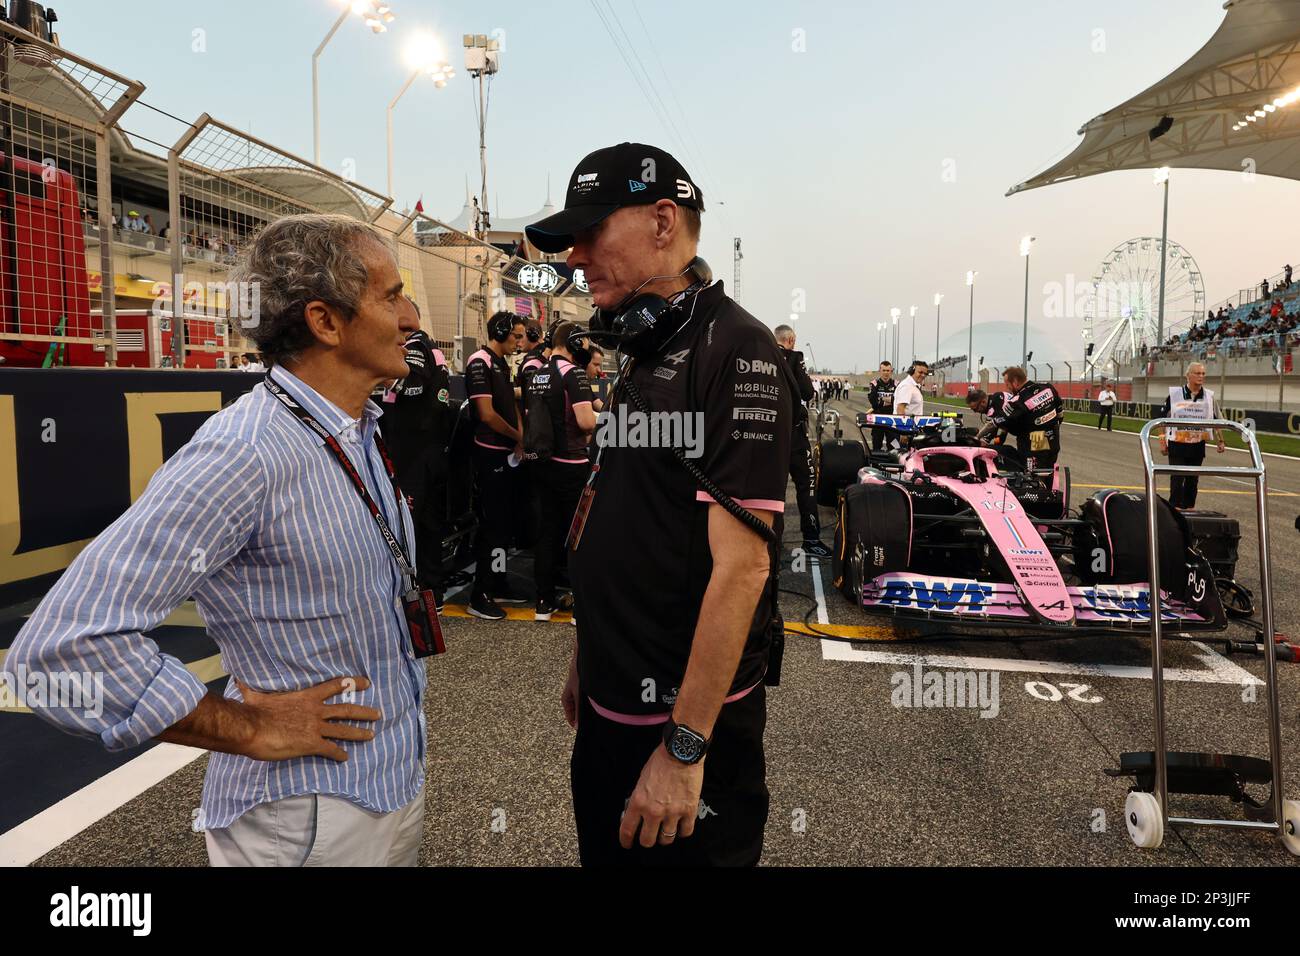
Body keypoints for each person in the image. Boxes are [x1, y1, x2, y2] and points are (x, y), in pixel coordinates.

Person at [9, 213, 434, 866]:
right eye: (392, 295)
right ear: (325, 321)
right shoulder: (245, 453)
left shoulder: (357, 425)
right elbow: (59, 651)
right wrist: (248, 726)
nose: (410, 317)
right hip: (308, 818)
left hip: (387, 785)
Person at [526, 141, 793, 866]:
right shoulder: (642, 350)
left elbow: (743, 571)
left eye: (590, 233)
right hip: (613, 699)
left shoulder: (736, 350)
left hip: (681, 729)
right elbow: (620, 505)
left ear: (662, 220)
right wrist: (589, 646)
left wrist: (683, 750)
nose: (575, 257)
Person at [380, 299, 455, 608]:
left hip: (414, 451)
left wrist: (386, 381)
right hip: (431, 450)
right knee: (429, 524)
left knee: (410, 524)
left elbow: (410, 385)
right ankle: (432, 591)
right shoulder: (433, 347)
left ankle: (413, 593)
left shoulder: (416, 345)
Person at [530, 321, 597, 620]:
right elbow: (585, 422)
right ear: (573, 343)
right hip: (572, 465)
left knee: (547, 532)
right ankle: (578, 606)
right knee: (577, 535)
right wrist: (609, 418)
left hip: (543, 464)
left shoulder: (537, 373)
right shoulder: (575, 374)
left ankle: (543, 603)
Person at [464, 311, 526, 619]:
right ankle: (480, 594)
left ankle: (498, 581)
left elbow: (510, 404)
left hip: (507, 453)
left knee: (504, 525)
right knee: (492, 525)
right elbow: (486, 414)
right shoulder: (480, 361)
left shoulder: (501, 363)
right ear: (500, 332)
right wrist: (518, 437)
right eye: (515, 335)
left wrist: (520, 438)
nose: (518, 340)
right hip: (489, 453)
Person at [774, 323, 829, 557]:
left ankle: (772, 543)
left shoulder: (763, 356)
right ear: (792, 339)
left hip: (769, 435)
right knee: (806, 485)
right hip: (794, 435)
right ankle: (811, 539)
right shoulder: (795, 358)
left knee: (772, 489)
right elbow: (807, 392)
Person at [1157, 361, 1225, 510]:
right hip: (1177, 442)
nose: (1201, 376)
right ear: (1188, 375)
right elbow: (1161, 419)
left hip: (1197, 443)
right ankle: (1174, 508)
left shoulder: (1209, 397)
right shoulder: (1174, 395)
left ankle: (1189, 508)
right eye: (1197, 373)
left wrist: (1221, 440)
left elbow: (1217, 419)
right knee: (1177, 478)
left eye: (1203, 373)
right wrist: (1162, 440)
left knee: (1192, 479)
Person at [1000, 366, 1063, 471]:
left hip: (1036, 439)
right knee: (1048, 472)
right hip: (1053, 438)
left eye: (1007, 384)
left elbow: (1003, 422)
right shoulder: (1047, 387)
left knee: (1033, 477)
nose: (1007, 388)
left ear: (1015, 381)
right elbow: (1060, 414)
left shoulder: (1018, 399)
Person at [867, 361, 896, 451]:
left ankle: (893, 464)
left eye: (888, 370)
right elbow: (874, 403)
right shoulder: (874, 384)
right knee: (876, 446)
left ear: (891, 371)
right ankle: (876, 464)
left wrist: (881, 399)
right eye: (884, 370)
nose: (886, 373)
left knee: (894, 447)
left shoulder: (896, 384)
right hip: (878, 419)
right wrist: (890, 400)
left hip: (893, 420)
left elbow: (898, 401)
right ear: (880, 371)